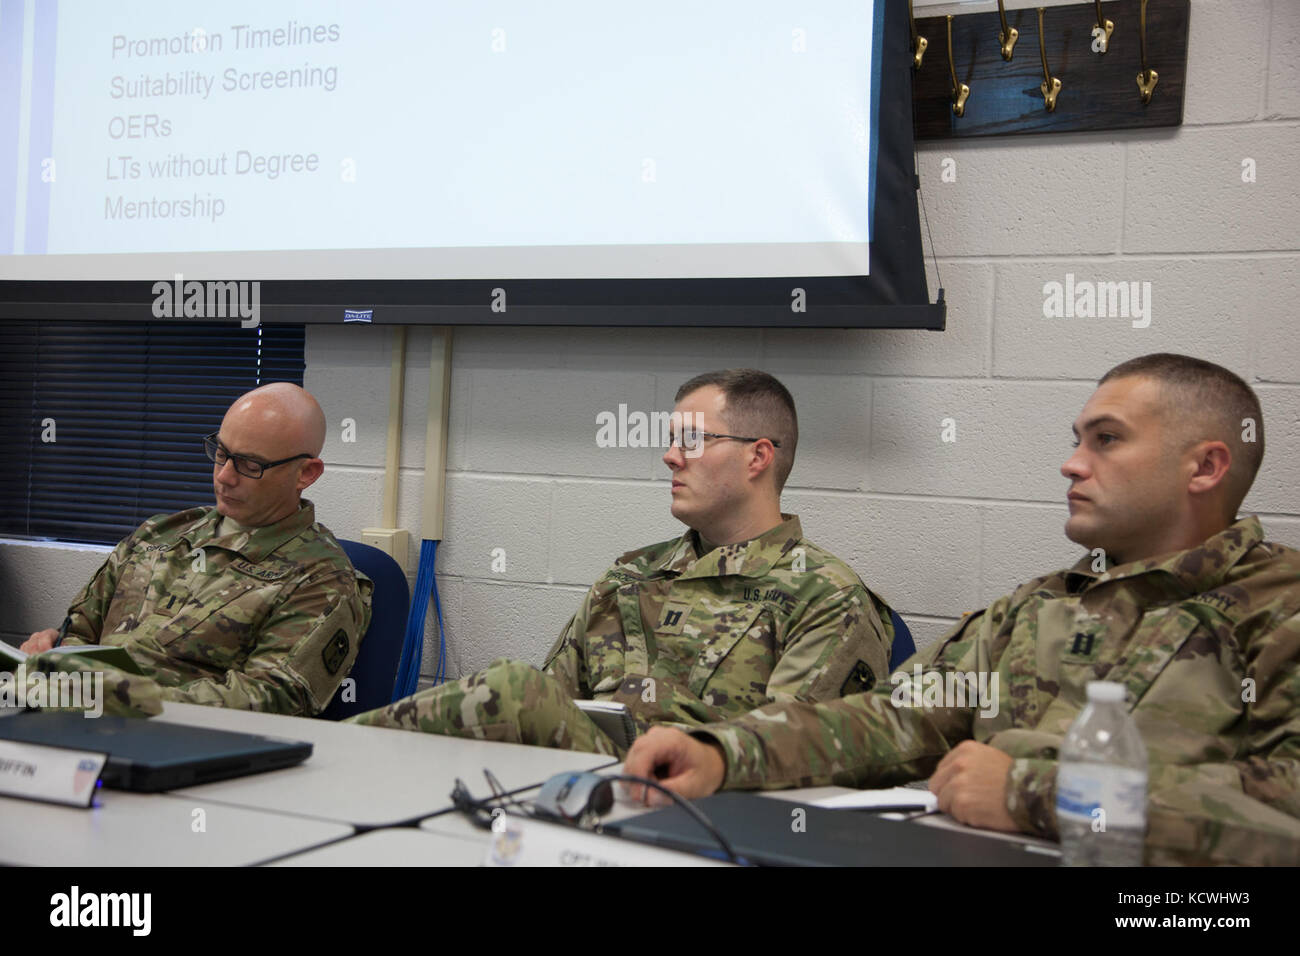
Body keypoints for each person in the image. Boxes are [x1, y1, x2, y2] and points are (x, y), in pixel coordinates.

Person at [625, 354, 1300, 865]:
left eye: (1107, 440)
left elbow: (1284, 802)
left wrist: (1031, 794)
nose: (1071, 464)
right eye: (1076, 439)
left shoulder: (1277, 609)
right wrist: (723, 753)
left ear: (1205, 468)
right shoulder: (1035, 610)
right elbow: (894, 719)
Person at [349, 369, 895, 755]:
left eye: (693, 440)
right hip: (583, 802)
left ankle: (343, 753)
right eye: (671, 439)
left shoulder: (826, 596)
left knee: (513, 691)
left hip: (712, 815)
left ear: (758, 455)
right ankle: (349, 759)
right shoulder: (632, 576)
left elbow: (793, 754)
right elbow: (553, 702)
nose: (670, 455)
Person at [18, 382, 373, 717]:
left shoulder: (319, 578)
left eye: (251, 465)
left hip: (183, 741)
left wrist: (129, 695)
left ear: (306, 473)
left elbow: (273, 699)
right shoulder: (160, 534)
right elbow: (79, 632)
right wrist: (53, 652)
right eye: (221, 454)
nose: (224, 476)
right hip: (77, 716)